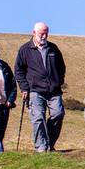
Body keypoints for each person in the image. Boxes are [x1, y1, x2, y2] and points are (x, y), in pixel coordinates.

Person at [14, 22, 67, 153]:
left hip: (54, 90)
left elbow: (62, 67)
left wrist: (58, 81)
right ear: (34, 33)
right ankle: (41, 147)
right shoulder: (25, 50)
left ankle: (49, 143)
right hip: (34, 90)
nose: (44, 36)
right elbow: (18, 71)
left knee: (58, 114)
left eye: (46, 33)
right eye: (41, 33)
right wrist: (24, 87)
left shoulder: (53, 49)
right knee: (38, 118)